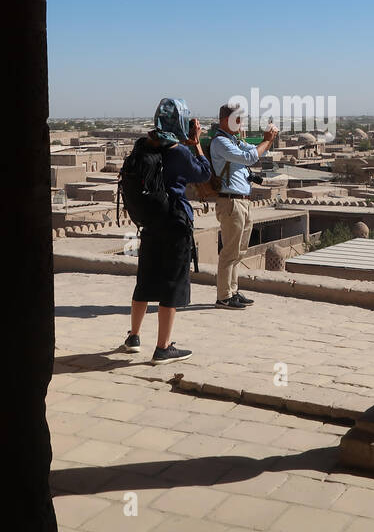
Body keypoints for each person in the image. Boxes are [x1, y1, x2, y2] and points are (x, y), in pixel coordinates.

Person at [119, 97, 211, 363]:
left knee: (145, 280)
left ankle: (133, 336)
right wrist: (196, 145)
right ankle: (163, 347)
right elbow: (204, 174)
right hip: (175, 225)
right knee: (171, 285)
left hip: (150, 224)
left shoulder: (144, 146)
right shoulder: (179, 152)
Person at [208, 103, 278, 309]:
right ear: (224, 121)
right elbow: (249, 157)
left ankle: (232, 291)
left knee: (239, 251)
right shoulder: (220, 142)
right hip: (230, 202)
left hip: (242, 201)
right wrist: (267, 140)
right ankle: (223, 297)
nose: (240, 123)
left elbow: (256, 153)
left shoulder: (235, 141)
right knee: (229, 251)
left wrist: (267, 141)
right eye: (237, 119)